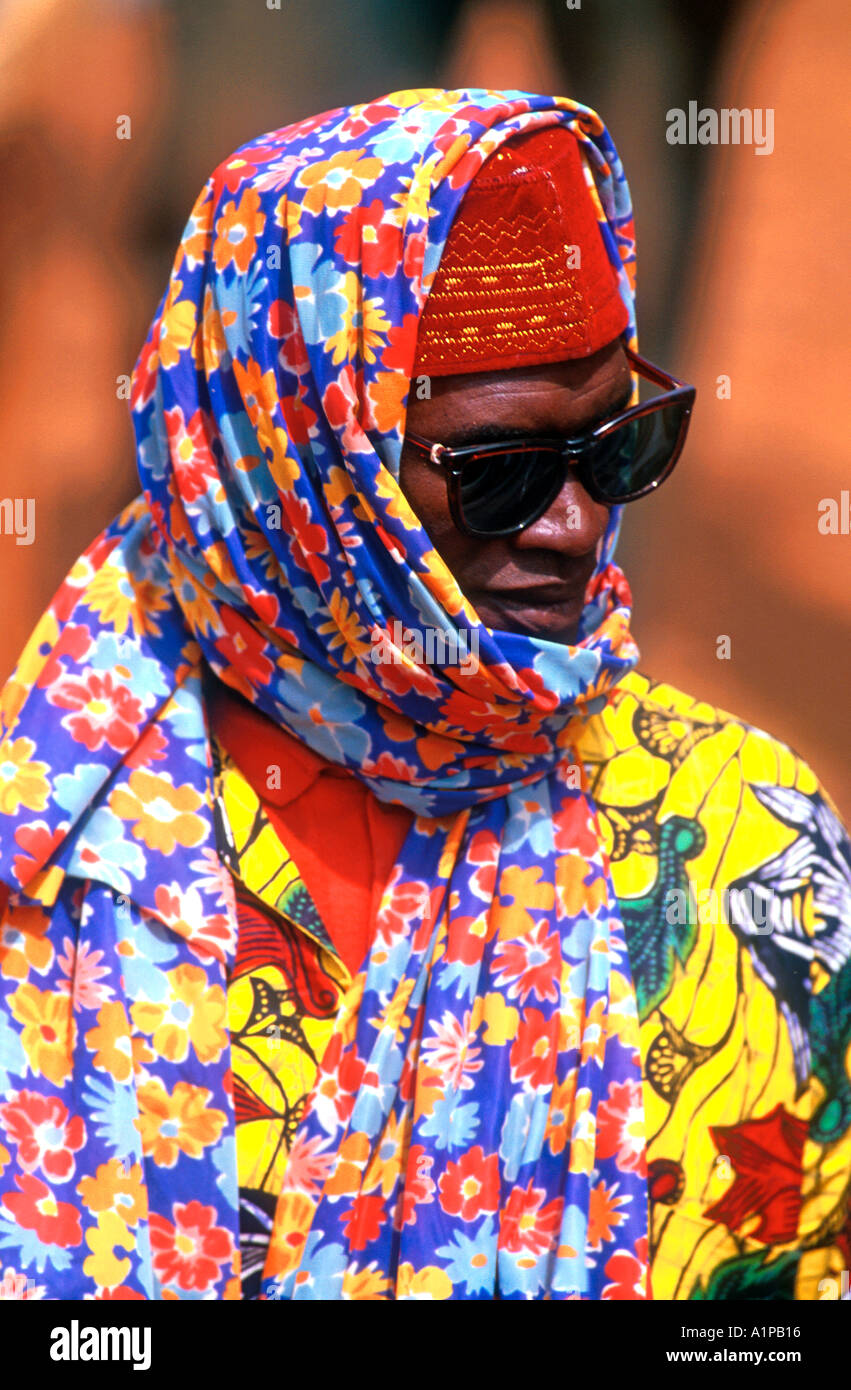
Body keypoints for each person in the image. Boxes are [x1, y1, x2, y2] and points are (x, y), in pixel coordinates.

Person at [0, 88, 848, 1302]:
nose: (574, 525)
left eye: (621, 446)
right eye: (499, 475)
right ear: (300, 461)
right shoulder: (57, 870)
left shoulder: (743, 855)